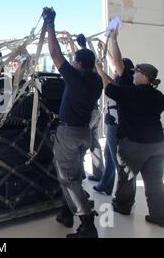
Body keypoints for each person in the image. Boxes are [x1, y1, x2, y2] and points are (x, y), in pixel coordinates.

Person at [43, 7, 103, 238]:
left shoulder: (75, 78)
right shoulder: (96, 80)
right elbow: (86, 60)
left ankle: (87, 224)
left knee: (67, 180)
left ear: (77, 63)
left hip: (68, 136)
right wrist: (83, 46)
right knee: (75, 176)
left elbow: (55, 53)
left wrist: (50, 24)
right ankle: (66, 213)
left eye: (75, 60)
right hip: (84, 134)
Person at [96, 59, 164, 228]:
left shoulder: (131, 93)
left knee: (126, 178)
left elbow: (110, 88)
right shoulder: (158, 96)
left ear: (144, 77)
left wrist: (99, 68)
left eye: (136, 72)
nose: (133, 74)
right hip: (157, 145)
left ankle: (123, 207)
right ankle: (159, 215)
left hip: (134, 144)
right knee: (155, 181)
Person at [93, 32, 134, 195]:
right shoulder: (122, 81)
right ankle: (105, 185)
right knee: (109, 156)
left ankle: (123, 194)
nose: (115, 69)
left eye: (119, 68)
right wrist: (105, 49)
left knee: (117, 161)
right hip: (113, 125)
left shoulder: (125, 82)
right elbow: (113, 66)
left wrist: (114, 39)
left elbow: (113, 69)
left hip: (116, 127)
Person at [65, 33, 104, 181]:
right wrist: (82, 45)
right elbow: (85, 58)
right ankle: (99, 173)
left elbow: (79, 61)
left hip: (86, 115)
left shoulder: (78, 77)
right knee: (94, 142)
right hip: (95, 111)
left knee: (79, 146)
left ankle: (79, 175)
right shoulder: (95, 75)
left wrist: (72, 44)